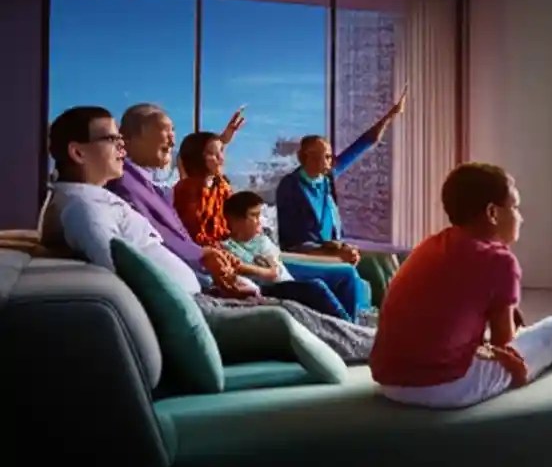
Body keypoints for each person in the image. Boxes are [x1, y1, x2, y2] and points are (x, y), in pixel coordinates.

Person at [48, 106, 375, 362]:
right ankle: (380, 347)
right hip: (197, 304)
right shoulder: (84, 207)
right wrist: (210, 267)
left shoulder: (100, 198)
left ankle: (377, 342)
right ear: (78, 152)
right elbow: (125, 272)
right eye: (112, 140)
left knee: (299, 309)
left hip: (204, 291)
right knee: (291, 311)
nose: (120, 147)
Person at [370, 162, 552, 409]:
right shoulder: (499, 261)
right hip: (443, 386)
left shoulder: (430, 245)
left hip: (389, 382)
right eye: (515, 207)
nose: (521, 217)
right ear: (492, 213)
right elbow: (503, 344)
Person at [106, 103, 249, 293]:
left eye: (173, 131)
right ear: (129, 139)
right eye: (165, 131)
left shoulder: (149, 183)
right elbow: (158, 237)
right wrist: (203, 256)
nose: (172, 141)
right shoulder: (126, 186)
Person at [275, 87, 406, 262]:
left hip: (335, 249)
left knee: (385, 262)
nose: (330, 161)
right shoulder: (290, 186)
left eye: (330, 156)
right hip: (310, 256)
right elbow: (292, 243)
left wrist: (391, 115)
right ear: (306, 157)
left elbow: (365, 143)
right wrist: (332, 252)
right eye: (325, 156)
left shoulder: (327, 177)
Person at [223, 190, 373, 323]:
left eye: (260, 215)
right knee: (316, 287)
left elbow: (281, 258)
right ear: (235, 220)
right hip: (270, 287)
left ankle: (352, 323)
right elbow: (244, 269)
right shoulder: (228, 248)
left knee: (346, 272)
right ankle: (347, 326)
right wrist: (270, 269)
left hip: (283, 274)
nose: (260, 221)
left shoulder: (261, 239)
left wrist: (337, 259)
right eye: (254, 216)